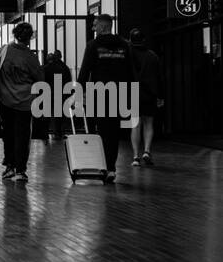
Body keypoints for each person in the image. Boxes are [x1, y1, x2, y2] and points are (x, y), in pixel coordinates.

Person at [77, 14, 136, 183]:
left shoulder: (93, 45)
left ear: (103, 27)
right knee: (114, 133)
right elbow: (131, 72)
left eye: (95, 25)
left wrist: (78, 94)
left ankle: (104, 166)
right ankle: (110, 168)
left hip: (100, 93)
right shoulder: (125, 45)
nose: (93, 28)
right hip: (119, 94)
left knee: (102, 131)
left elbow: (85, 71)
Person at [0, 21, 44, 183]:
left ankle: (9, 166)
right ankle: (20, 170)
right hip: (25, 102)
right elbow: (40, 78)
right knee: (22, 135)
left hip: (5, 100)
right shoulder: (31, 57)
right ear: (30, 38)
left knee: (8, 133)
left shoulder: (4, 51)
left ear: (14, 34)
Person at [128, 28, 163, 167]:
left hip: (133, 92)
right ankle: (147, 151)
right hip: (149, 93)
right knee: (149, 123)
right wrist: (160, 95)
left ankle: (136, 156)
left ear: (130, 40)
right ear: (144, 39)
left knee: (135, 125)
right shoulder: (152, 56)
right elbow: (159, 77)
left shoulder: (128, 55)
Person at [43, 49, 73, 141]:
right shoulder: (63, 68)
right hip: (59, 93)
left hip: (47, 93)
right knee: (58, 115)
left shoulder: (44, 68)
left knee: (47, 115)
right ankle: (58, 133)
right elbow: (68, 81)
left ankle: (45, 133)